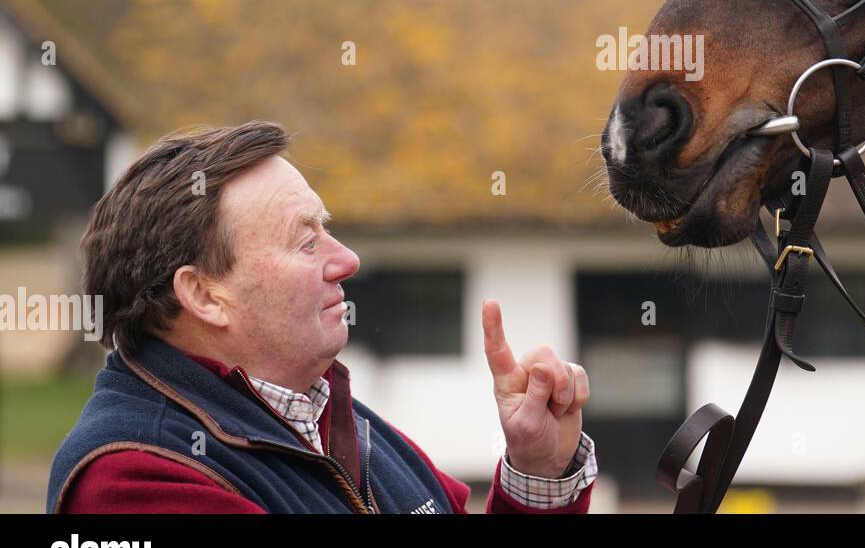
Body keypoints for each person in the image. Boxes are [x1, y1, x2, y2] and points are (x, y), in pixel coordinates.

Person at [46, 121, 595, 514]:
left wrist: (537, 472)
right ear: (205, 294)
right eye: (306, 241)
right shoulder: (134, 479)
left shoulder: (329, 414)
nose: (347, 260)